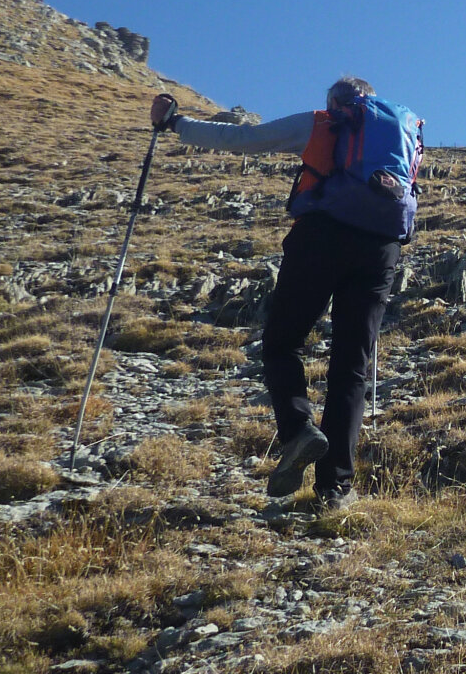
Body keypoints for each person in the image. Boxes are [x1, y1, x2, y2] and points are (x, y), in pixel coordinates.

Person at [150, 77, 422, 509]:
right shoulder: (401, 133)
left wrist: (175, 124)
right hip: (381, 248)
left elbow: (241, 138)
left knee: (282, 343)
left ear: (337, 102)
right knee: (350, 365)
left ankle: (299, 431)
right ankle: (336, 489)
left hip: (321, 235)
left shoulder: (321, 123)